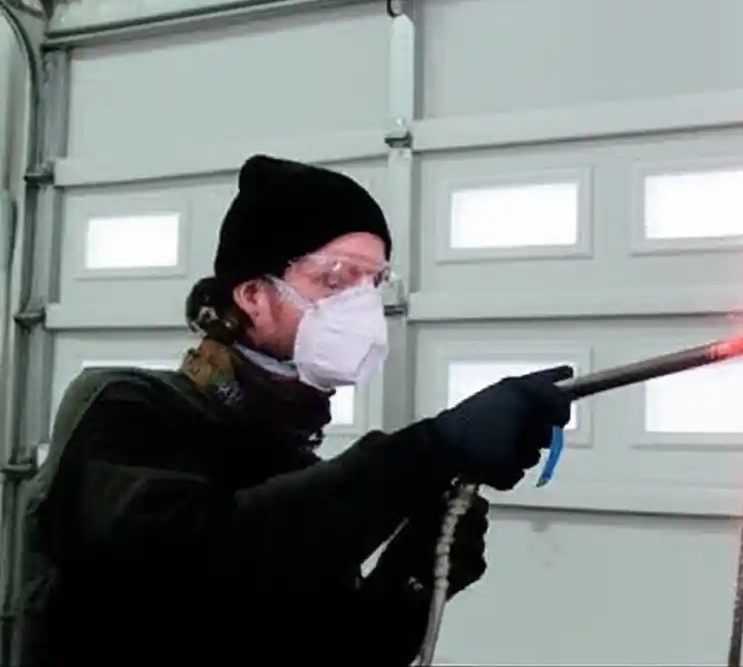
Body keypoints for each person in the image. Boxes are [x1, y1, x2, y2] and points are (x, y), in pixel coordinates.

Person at [13, 155, 573, 666]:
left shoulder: (294, 470)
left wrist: (414, 570)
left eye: (373, 282)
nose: (361, 305)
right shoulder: (123, 409)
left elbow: (330, 649)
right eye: (335, 278)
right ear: (252, 294)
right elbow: (198, 567)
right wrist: (430, 449)